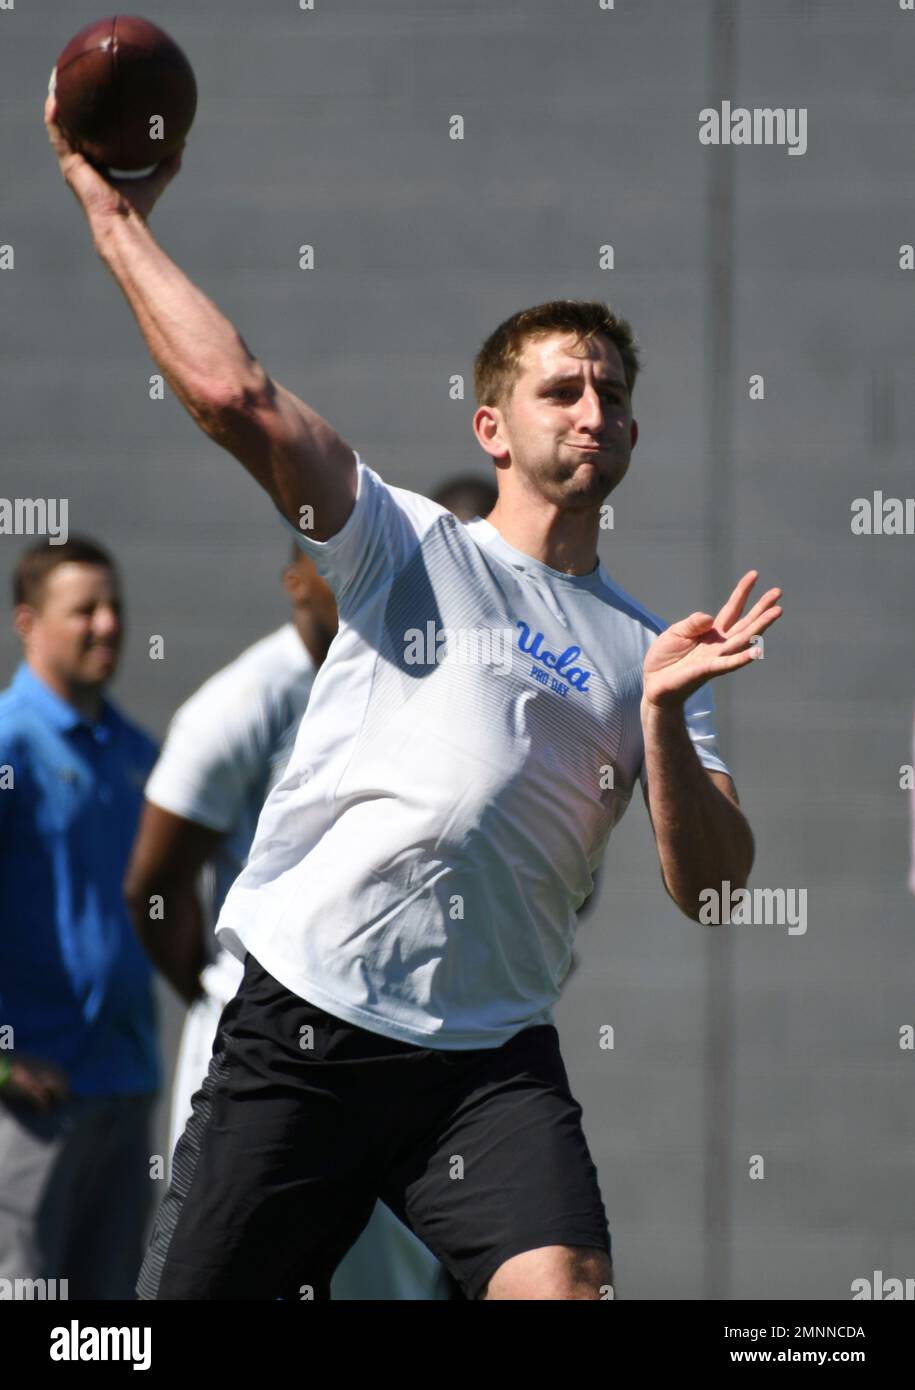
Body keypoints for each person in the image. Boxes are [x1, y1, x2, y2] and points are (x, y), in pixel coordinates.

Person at [45, 100, 782, 1300]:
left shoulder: (659, 652)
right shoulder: (408, 545)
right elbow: (240, 399)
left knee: (569, 1289)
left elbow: (710, 888)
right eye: (560, 390)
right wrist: (112, 214)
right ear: (491, 425)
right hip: (305, 1034)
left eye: (608, 392)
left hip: (485, 1064)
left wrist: (656, 717)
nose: (590, 408)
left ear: (635, 429)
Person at [125, 544, 455, 1299]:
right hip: (261, 1044)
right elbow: (153, 883)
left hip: (382, 1038)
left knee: (386, 1284)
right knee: (224, 1272)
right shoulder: (246, 698)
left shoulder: (407, 686)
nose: (351, 587)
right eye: (329, 569)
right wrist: (219, 990)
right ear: (294, 579)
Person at [0, 537, 159, 1299]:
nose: (108, 625)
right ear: (27, 622)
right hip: (29, 1101)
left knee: (108, 1329)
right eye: (83, 610)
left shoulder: (136, 751)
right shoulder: (8, 747)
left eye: (116, 607)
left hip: (124, 1084)